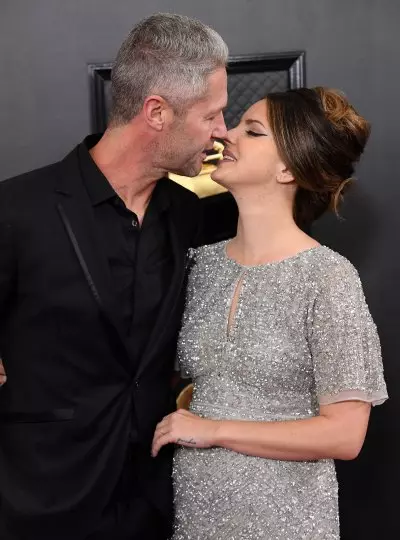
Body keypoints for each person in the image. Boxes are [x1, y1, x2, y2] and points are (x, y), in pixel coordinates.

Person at [0, 13, 228, 540]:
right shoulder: (16, 209)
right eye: (211, 115)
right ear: (156, 112)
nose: (222, 130)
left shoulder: (191, 213)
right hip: (39, 501)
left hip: (152, 500)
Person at [152, 87, 388, 539]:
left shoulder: (328, 278)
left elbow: (344, 435)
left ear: (288, 168)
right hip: (196, 513)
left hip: (287, 516)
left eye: (252, 131)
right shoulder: (198, 265)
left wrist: (213, 429)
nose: (227, 135)